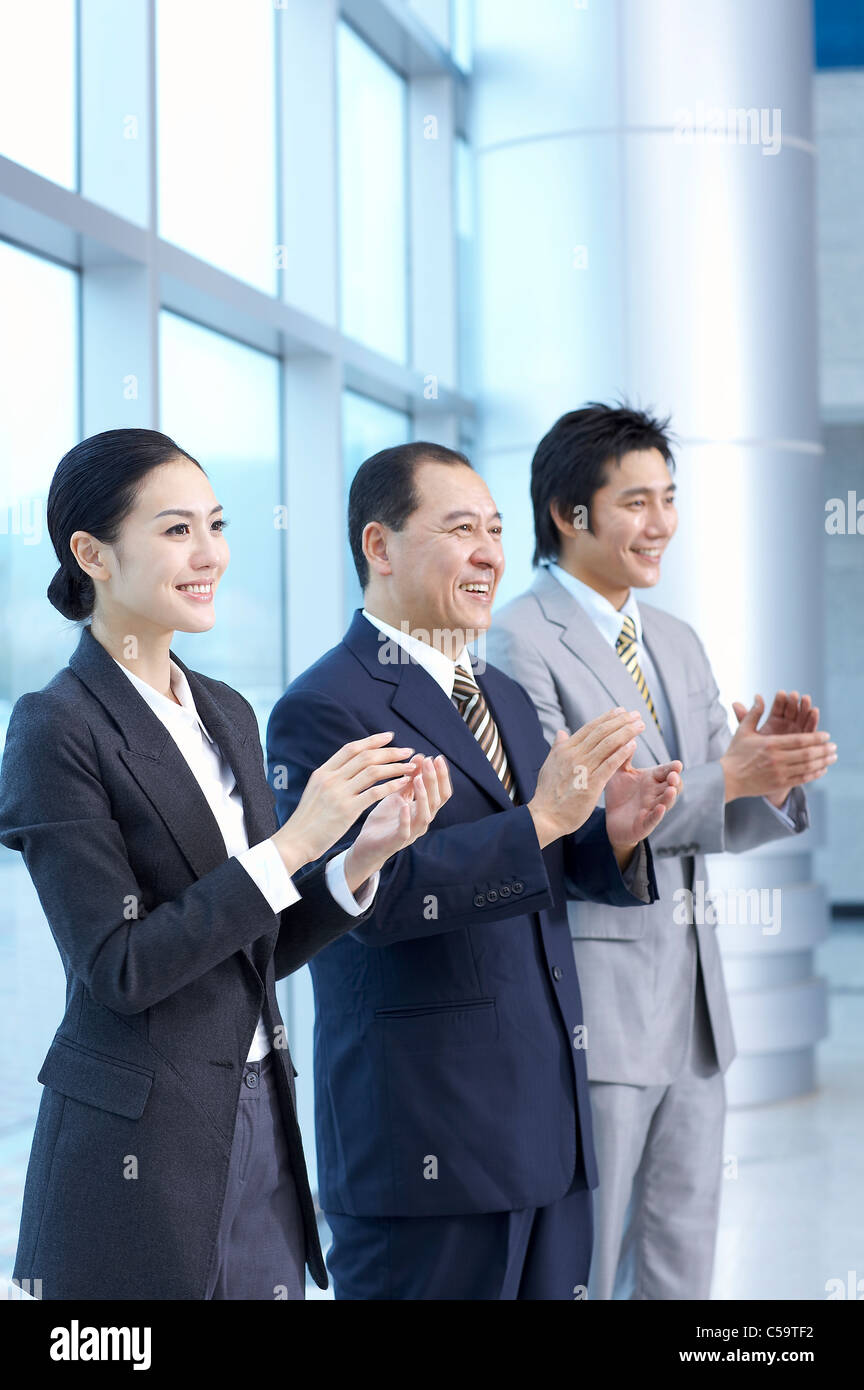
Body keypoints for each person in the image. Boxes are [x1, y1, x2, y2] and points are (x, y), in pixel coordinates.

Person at [0, 427, 450, 1301]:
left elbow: (257, 947)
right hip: (139, 1146)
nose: (210, 554)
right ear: (90, 552)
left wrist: (359, 856)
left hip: (260, 1118)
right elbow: (119, 970)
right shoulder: (57, 725)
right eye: (176, 531)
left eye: (217, 524)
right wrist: (293, 843)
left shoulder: (227, 711)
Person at [266, 441, 683, 1300]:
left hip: (548, 1136)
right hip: (430, 1150)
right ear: (378, 547)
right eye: (461, 529)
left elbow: (543, 872)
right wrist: (545, 818)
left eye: (495, 529)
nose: (492, 551)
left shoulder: (492, 691)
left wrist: (612, 837)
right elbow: (369, 903)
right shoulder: (325, 707)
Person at [486, 402, 834, 1300]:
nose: (662, 525)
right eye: (636, 502)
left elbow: (716, 803)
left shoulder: (673, 638)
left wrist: (772, 778)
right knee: (589, 1262)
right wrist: (736, 774)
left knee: (685, 1259)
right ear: (572, 515)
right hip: (601, 1008)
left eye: (668, 499)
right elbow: (580, 816)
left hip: (695, 1009)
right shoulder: (519, 642)